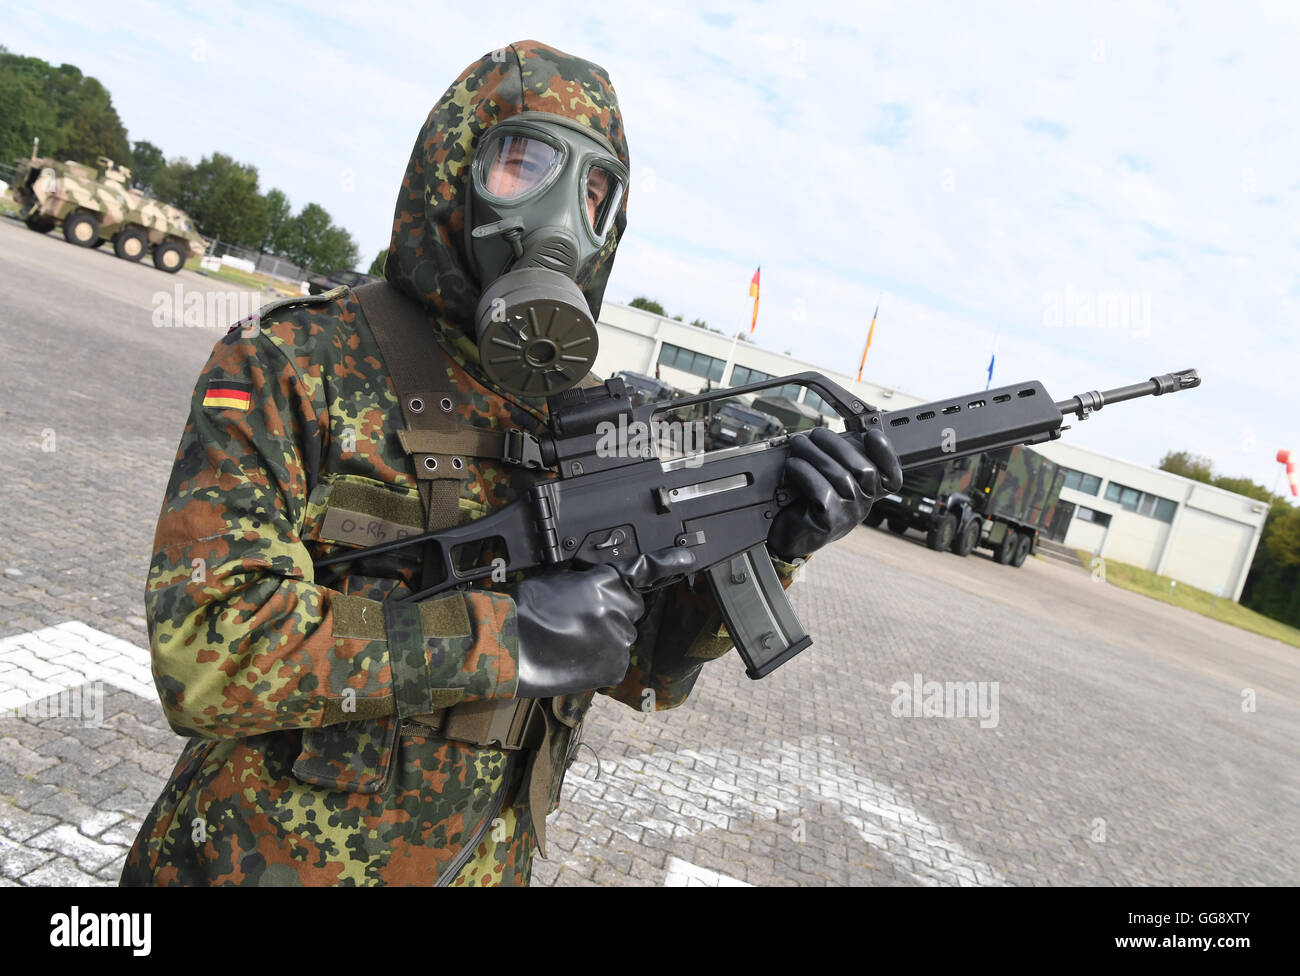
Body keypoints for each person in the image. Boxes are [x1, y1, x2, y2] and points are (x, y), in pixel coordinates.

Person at [120, 39, 900, 887]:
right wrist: (507, 639)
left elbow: (643, 673)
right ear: (451, 172)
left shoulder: (586, 421)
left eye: (595, 192)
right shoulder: (296, 364)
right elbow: (203, 651)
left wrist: (772, 538)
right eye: (525, 165)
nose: (562, 216)